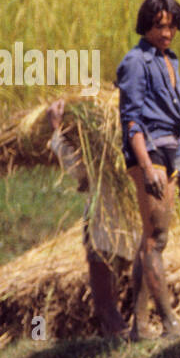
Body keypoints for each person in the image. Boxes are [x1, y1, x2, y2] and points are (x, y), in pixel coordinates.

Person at [116, 0, 180, 339]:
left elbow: (175, 121)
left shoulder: (169, 60)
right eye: (158, 26)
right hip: (147, 151)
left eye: (171, 26)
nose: (166, 33)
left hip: (168, 149)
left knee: (151, 237)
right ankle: (169, 323)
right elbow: (131, 119)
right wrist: (146, 166)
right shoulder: (135, 62)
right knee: (157, 237)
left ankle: (140, 325)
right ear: (146, 26)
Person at [46, 98, 136, 338]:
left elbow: (78, 168)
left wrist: (56, 130)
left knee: (104, 297)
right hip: (133, 221)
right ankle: (130, 330)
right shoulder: (138, 134)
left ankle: (117, 333)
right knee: (128, 277)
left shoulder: (101, 140)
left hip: (103, 221)